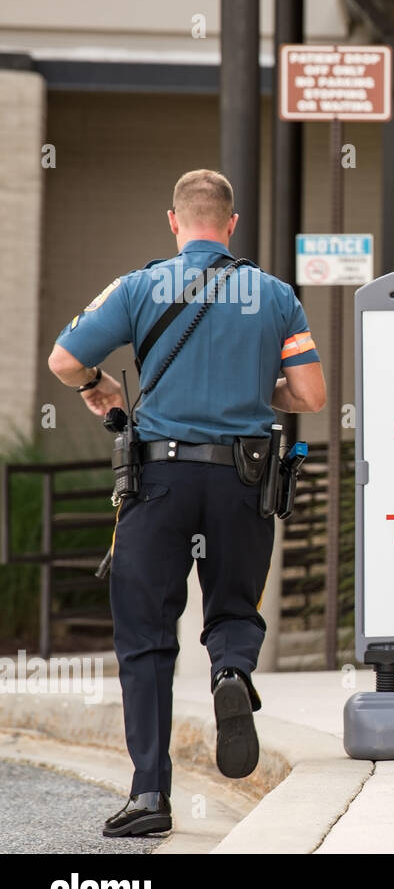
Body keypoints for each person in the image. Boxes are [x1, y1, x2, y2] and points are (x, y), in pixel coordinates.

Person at [46, 169, 326, 836]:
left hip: (158, 482)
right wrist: (262, 394)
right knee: (232, 607)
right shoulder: (274, 293)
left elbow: (63, 360)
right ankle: (230, 670)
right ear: (230, 224)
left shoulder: (139, 286)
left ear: (174, 223)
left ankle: (150, 796)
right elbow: (311, 395)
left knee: (144, 637)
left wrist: (99, 384)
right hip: (241, 479)